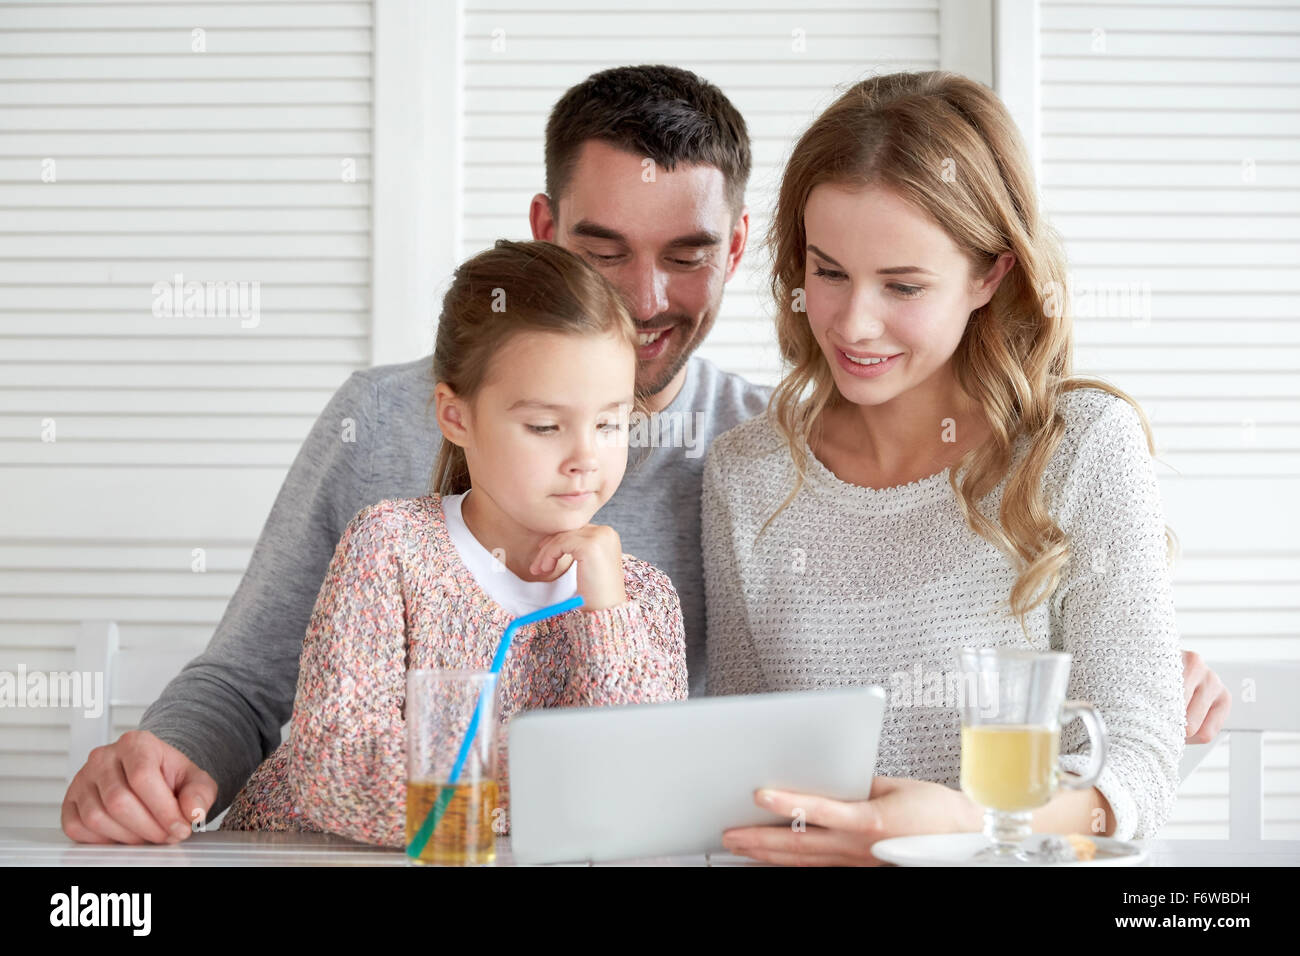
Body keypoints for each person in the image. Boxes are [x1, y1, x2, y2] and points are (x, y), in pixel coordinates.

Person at [62, 64, 1229, 847]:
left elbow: (1084, 722)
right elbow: (253, 677)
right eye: (599, 248)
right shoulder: (395, 426)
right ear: (541, 233)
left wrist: (1093, 710)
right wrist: (168, 751)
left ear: (732, 259)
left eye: (686, 252)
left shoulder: (750, 443)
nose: (640, 297)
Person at [704, 70, 1194, 865]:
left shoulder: (1081, 447)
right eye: (827, 272)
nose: (854, 323)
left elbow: (1138, 770)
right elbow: (740, 756)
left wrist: (967, 826)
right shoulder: (747, 471)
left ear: (990, 274)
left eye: (903, 285)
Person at [215, 240, 685, 846]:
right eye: (545, 426)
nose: (585, 459)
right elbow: (335, 768)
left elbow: (642, 795)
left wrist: (608, 615)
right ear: (456, 417)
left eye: (610, 422)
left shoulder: (639, 600)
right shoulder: (391, 548)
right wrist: (562, 783)